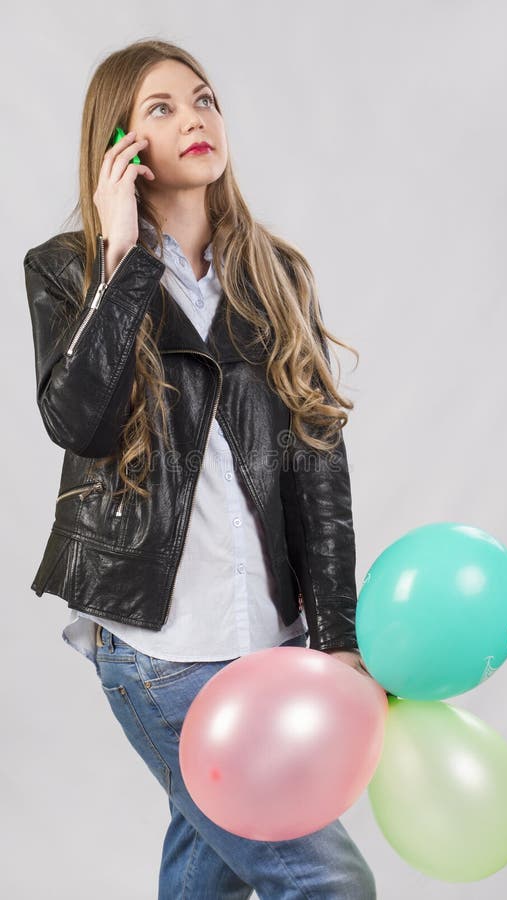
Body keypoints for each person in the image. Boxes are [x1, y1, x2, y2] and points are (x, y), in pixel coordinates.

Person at [24, 38, 377, 900]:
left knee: (205, 880)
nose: (195, 118)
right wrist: (125, 259)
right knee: (329, 884)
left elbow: (316, 467)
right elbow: (80, 422)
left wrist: (339, 636)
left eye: (204, 98)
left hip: (272, 643)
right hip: (163, 652)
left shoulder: (274, 274)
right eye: (162, 107)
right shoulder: (68, 269)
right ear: (120, 147)